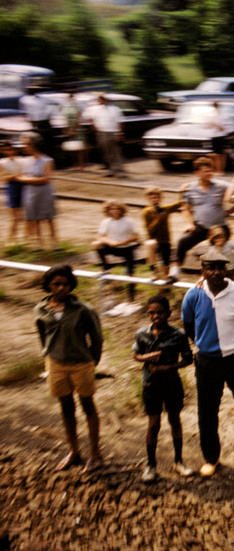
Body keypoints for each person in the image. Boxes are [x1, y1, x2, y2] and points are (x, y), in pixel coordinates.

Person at [181, 247, 234, 478]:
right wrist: (200, 344)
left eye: (221, 268)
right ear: (203, 270)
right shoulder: (193, 295)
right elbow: (188, 324)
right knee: (207, 411)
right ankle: (211, 458)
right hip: (207, 361)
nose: (217, 272)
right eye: (211, 268)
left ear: (226, 269)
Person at [34, 265, 104, 473]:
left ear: (71, 285)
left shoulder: (83, 309)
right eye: (56, 284)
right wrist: (47, 354)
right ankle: (74, 451)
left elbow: (97, 337)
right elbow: (42, 336)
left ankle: (94, 453)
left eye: (65, 284)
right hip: (56, 364)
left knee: (87, 405)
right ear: (48, 286)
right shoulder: (41, 310)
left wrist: (92, 361)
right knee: (66, 407)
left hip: (81, 363)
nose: (61, 288)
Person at [132, 294, 193, 483]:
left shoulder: (178, 335)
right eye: (151, 313)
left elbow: (188, 358)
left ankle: (178, 461)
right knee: (154, 423)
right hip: (150, 384)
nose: (156, 316)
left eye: (160, 312)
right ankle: (151, 464)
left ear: (168, 313)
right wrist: (147, 357)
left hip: (171, 383)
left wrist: (167, 367)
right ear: (147, 314)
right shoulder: (142, 334)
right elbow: (135, 354)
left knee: (175, 420)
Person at [173, 157, 229, 279]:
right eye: (205, 171)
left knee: (219, 252)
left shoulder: (221, 186)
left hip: (219, 228)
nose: (209, 173)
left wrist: (230, 211)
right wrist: (189, 224)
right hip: (201, 226)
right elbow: (185, 209)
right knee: (183, 241)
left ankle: (221, 276)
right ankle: (175, 271)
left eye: (210, 170)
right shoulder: (190, 188)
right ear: (197, 172)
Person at [19, 133, 58, 249]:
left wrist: (29, 179)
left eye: (26, 144)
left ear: (33, 145)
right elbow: (19, 176)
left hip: (44, 192)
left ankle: (54, 242)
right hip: (30, 192)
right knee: (33, 217)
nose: (24, 147)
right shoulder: (24, 161)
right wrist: (32, 179)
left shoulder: (47, 160)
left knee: (49, 217)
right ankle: (38, 243)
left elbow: (46, 179)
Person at [142, 186, 183, 281]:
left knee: (165, 264)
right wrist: (157, 218)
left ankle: (165, 286)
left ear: (160, 198)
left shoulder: (164, 209)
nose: (155, 200)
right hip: (154, 240)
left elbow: (178, 204)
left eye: (157, 197)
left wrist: (182, 192)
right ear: (148, 199)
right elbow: (150, 230)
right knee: (149, 244)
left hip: (165, 240)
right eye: (152, 198)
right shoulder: (146, 212)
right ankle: (153, 271)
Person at [94, 200, 141, 279]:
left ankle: (131, 288)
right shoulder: (106, 222)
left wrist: (123, 242)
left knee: (130, 274)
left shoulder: (129, 221)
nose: (115, 211)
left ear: (121, 210)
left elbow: (136, 237)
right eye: (112, 209)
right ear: (108, 210)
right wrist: (111, 242)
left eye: (117, 208)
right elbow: (101, 236)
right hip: (113, 247)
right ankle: (106, 267)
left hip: (127, 248)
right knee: (96, 244)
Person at [82, 94, 125, 178]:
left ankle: (119, 170)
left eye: (103, 99)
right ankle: (111, 170)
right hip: (101, 132)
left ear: (107, 100)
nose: (101, 101)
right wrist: (93, 125)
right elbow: (86, 116)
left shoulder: (115, 109)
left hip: (112, 132)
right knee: (105, 152)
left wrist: (120, 133)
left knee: (114, 152)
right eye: (99, 100)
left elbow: (120, 122)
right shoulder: (95, 109)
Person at [1, 141, 22, 243]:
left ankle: (26, 238)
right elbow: (5, 177)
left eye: (11, 149)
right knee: (15, 217)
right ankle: (10, 239)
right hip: (12, 188)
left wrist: (14, 176)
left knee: (25, 216)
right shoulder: (2, 162)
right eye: (7, 150)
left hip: (23, 186)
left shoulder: (21, 160)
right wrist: (15, 176)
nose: (10, 151)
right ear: (3, 151)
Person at [61, 93, 86, 171]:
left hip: (77, 128)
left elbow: (79, 118)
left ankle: (81, 165)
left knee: (80, 147)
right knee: (71, 147)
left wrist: (74, 129)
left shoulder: (78, 107)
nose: (71, 99)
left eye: (72, 97)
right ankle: (74, 165)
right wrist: (67, 130)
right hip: (69, 128)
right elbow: (64, 119)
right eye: (69, 97)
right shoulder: (65, 107)